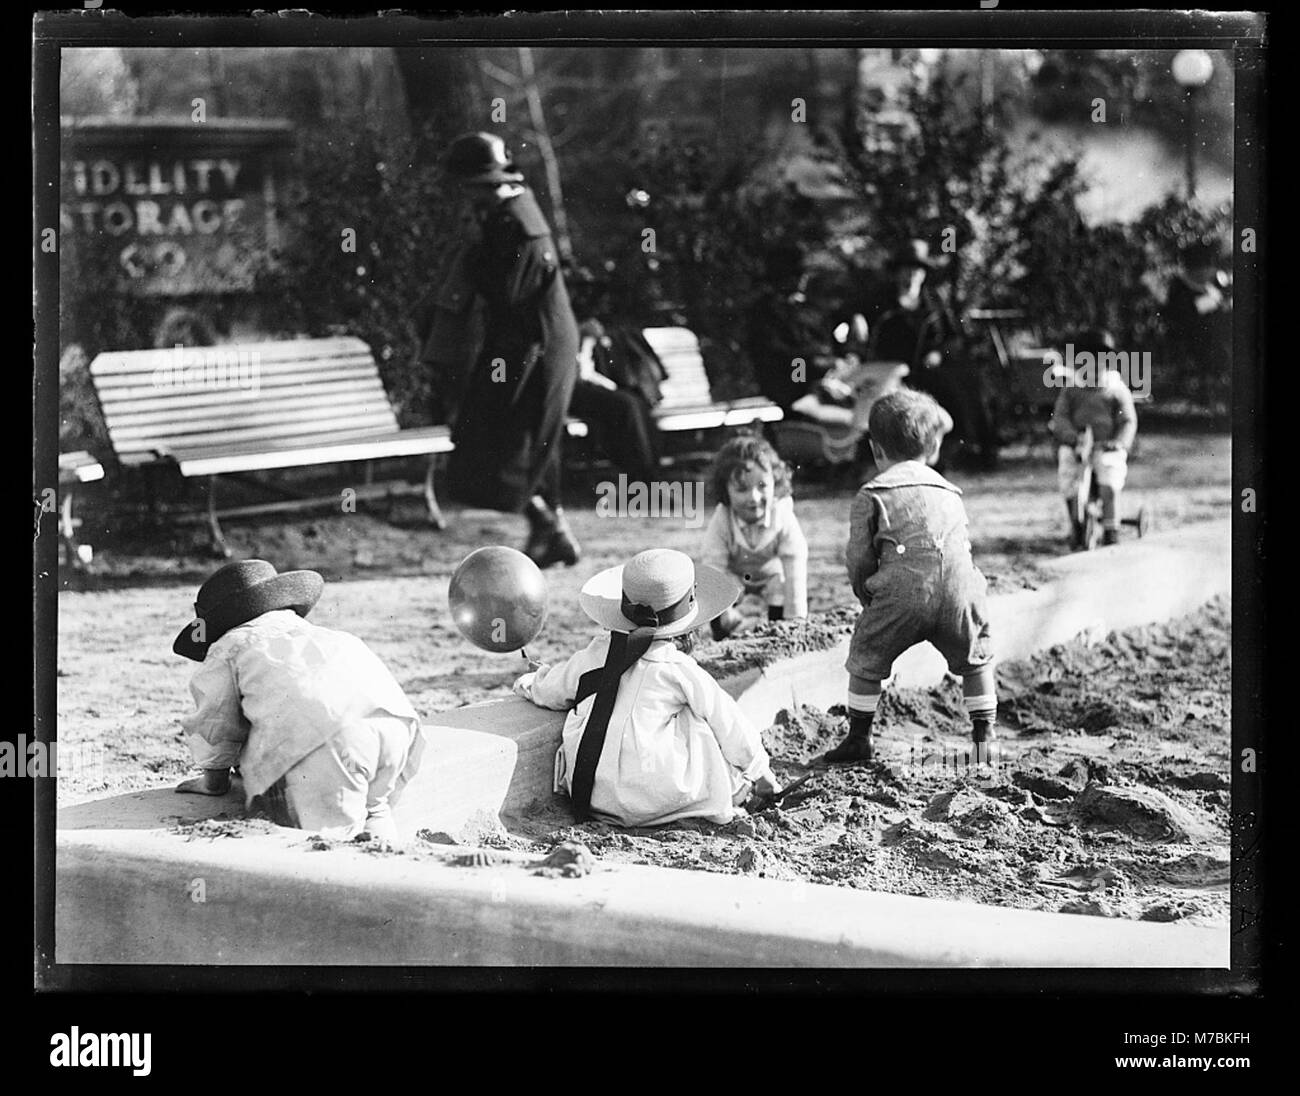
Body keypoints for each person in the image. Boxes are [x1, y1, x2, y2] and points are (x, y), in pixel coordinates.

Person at [513, 548, 781, 827]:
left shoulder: (596, 653)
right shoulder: (676, 667)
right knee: (700, 721)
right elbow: (731, 724)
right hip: (656, 798)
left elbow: (552, 690)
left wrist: (531, 682)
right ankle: (734, 791)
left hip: (594, 794)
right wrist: (762, 775)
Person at [172, 559, 425, 842]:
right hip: (397, 726)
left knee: (332, 839)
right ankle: (390, 860)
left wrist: (214, 781)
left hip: (329, 739)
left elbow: (215, 721)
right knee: (375, 810)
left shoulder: (229, 646)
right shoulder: (323, 634)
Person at [419, 131, 581, 569]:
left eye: (467, 187)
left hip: (533, 345)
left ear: (481, 184)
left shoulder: (510, 224)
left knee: (501, 435)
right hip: (536, 341)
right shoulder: (513, 211)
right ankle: (552, 527)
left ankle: (549, 525)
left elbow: (503, 293)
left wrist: (474, 249)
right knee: (525, 436)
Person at [826, 388, 997, 763]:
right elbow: (961, 548)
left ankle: (859, 736)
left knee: (867, 656)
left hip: (902, 593)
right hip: (959, 590)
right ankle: (985, 735)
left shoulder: (874, 492)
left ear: (876, 451)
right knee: (976, 658)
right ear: (933, 448)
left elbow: (858, 556)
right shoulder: (950, 491)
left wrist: (866, 593)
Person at [865, 240, 995, 469]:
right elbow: (871, 340)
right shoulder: (882, 304)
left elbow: (953, 337)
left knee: (967, 384)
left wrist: (937, 352)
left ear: (923, 275)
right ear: (896, 273)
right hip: (896, 371)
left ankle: (968, 448)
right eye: (906, 270)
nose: (911, 276)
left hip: (932, 370)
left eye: (916, 270)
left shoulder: (935, 303)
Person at [701, 434, 809, 640]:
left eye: (762, 486)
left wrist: (796, 622)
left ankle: (775, 626)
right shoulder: (723, 518)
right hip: (737, 581)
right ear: (726, 490)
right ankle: (731, 626)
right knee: (722, 593)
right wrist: (718, 614)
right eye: (742, 489)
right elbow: (713, 567)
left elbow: (795, 564)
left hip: (771, 579)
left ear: (775, 482)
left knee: (782, 582)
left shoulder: (782, 516)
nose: (754, 498)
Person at [1048, 329, 1138, 549]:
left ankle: (1111, 527)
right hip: (1078, 444)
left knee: (1110, 475)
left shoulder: (1115, 389)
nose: (1095, 366)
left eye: (1101, 360)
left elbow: (1128, 420)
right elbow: (1060, 417)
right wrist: (1071, 437)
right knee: (1068, 474)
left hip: (1105, 445)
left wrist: (1119, 441)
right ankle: (1076, 524)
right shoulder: (1071, 389)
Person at [568, 318, 663, 484]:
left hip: (588, 388)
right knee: (627, 406)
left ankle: (648, 475)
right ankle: (644, 479)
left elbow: (587, 370)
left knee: (636, 405)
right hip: (570, 391)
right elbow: (581, 374)